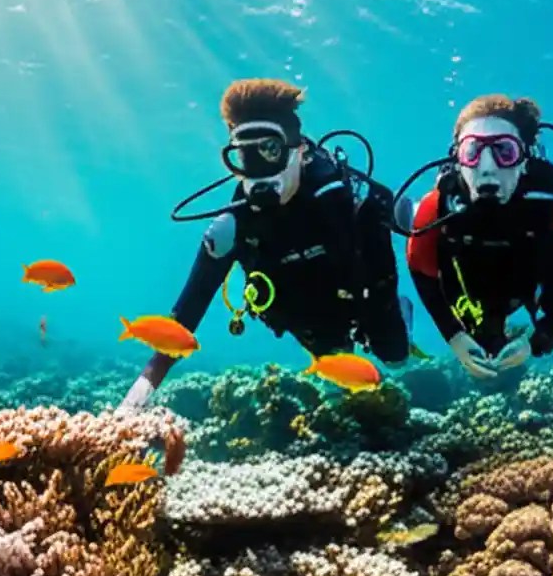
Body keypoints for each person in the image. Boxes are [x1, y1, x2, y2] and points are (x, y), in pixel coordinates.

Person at [119, 78, 411, 410]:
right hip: (304, 318)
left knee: (396, 357)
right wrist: (142, 389)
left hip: (366, 301)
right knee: (333, 363)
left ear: (298, 150)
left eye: (270, 150)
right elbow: (188, 309)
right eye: (245, 156)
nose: (258, 171)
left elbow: (407, 220)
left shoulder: (343, 197)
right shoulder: (234, 224)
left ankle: (398, 319)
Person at [402, 94, 553, 379]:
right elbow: (421, 269)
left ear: (525, 158)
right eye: (473, 151)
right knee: (482, 335)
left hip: (531, 286)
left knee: (543, 341)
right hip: (469, 290)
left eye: (504, 151)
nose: (487, 167)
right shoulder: (437, 206)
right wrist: (454, 335)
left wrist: (548, 326)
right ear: (457, 160)